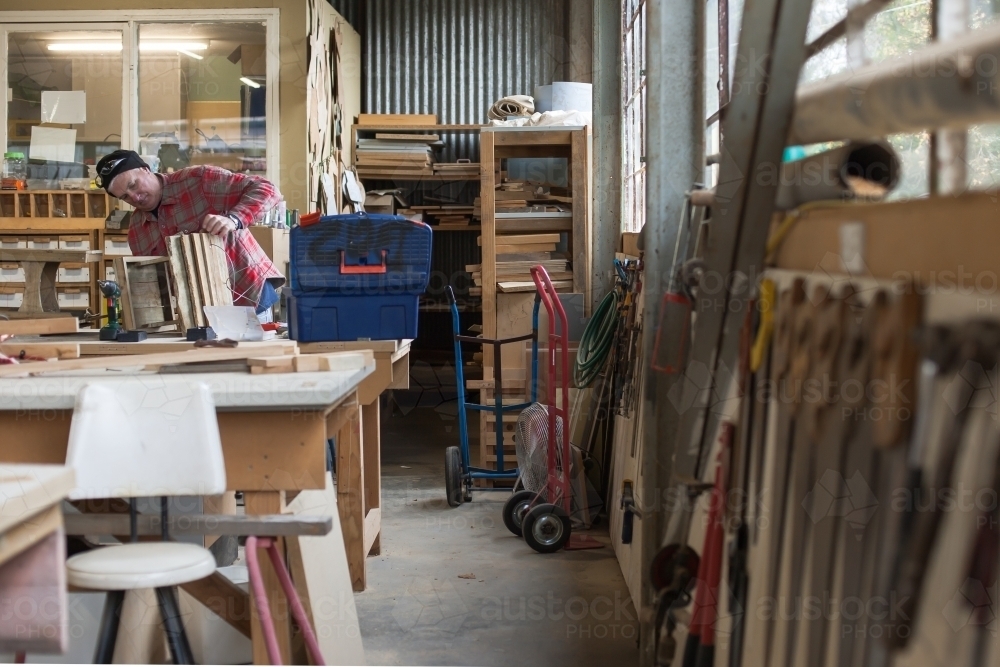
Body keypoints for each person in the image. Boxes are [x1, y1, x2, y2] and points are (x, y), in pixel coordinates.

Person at [95, 150, 284, 319]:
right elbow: (155, 283)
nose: (134, 197)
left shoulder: (199, 180)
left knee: (250, 358)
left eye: (134, 185)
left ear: (145, 169)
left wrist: (233, 220)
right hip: (202, 314)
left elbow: (268, 189)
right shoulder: (137, 231)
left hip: (249, 295)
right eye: (125, 197)